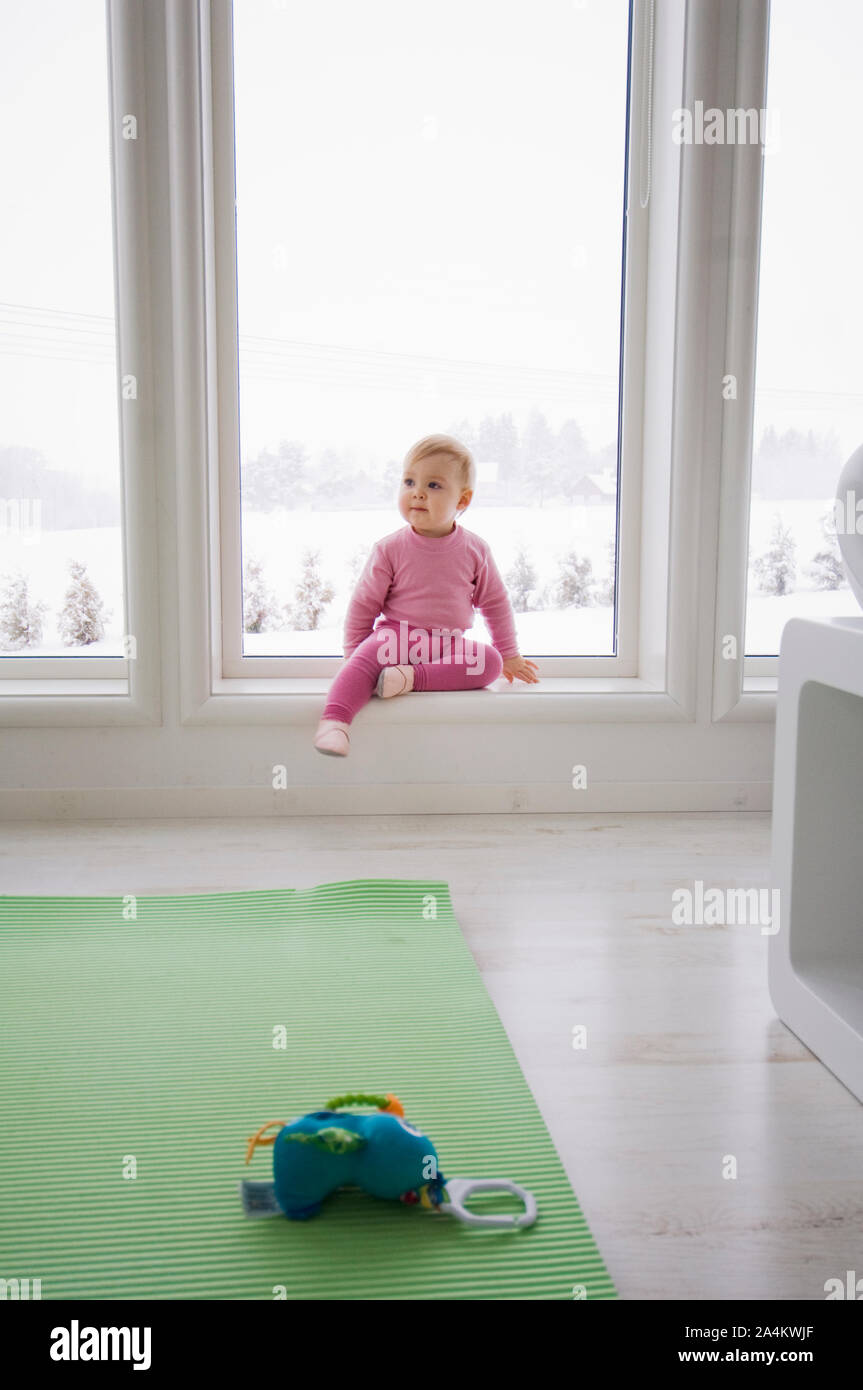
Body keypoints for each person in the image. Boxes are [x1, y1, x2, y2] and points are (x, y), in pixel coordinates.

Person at [313, 433, 539, 757]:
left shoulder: (475, 550)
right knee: (364, 659)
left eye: (433, 485)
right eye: (409, 481)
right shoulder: (389, 548)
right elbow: (364, 605)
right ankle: (334, 723)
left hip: (449, 643)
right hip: (398, 638)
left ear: (462, 501)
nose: (417, 492)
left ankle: (408, 679)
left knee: (489, 663)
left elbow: (495, 603)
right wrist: (354, 653)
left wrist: (510, 653)